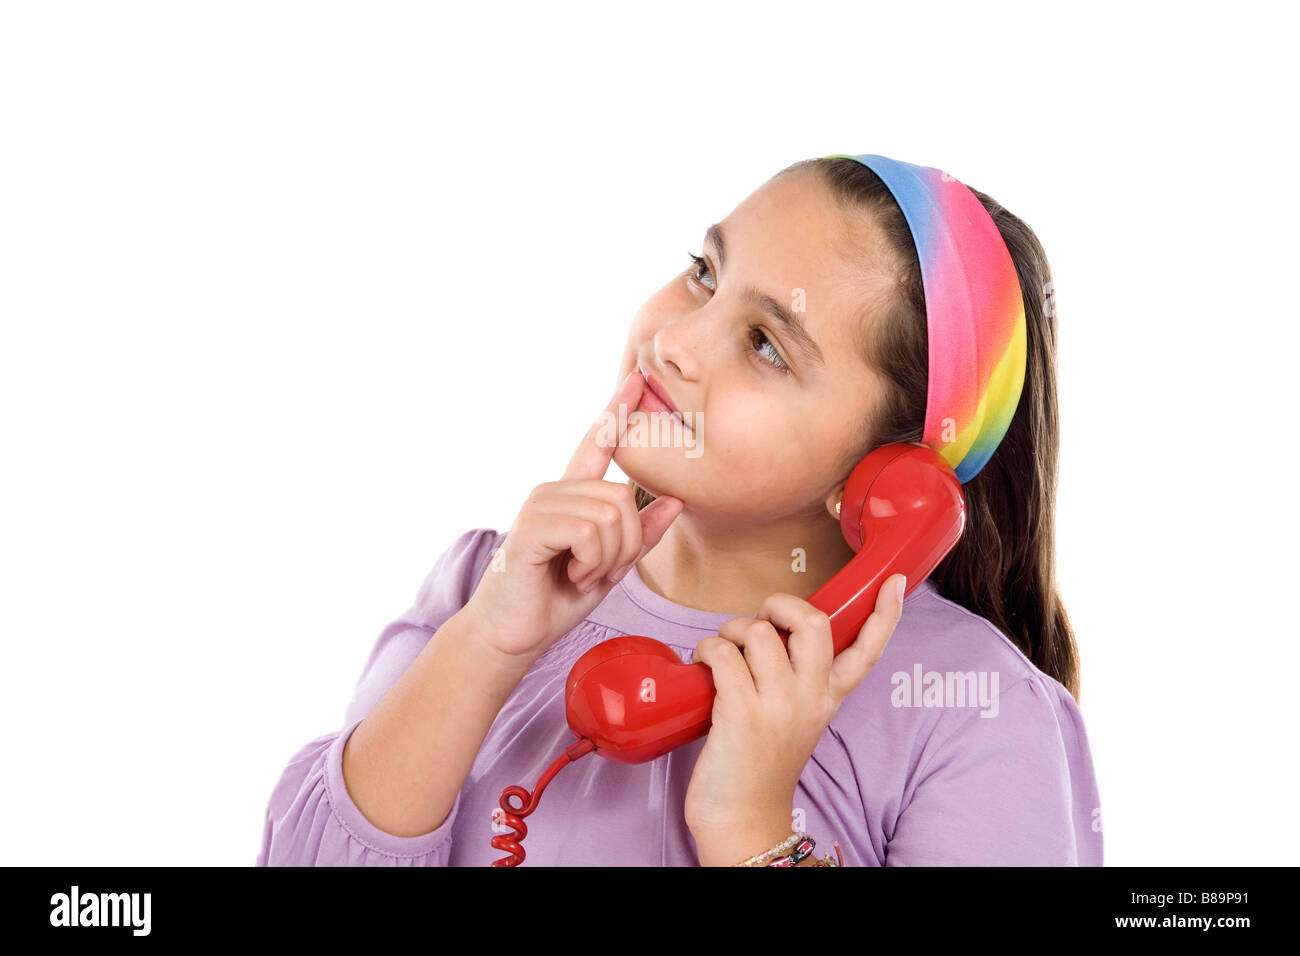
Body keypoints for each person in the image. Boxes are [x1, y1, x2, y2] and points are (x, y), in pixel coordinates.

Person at [255, 154, 1102, 866]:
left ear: (887, 473)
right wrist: (483, 648)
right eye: (705, 273)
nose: (675, 340)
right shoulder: (486, 584)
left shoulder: (972, 712)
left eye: (766, 345)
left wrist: (752, 828)